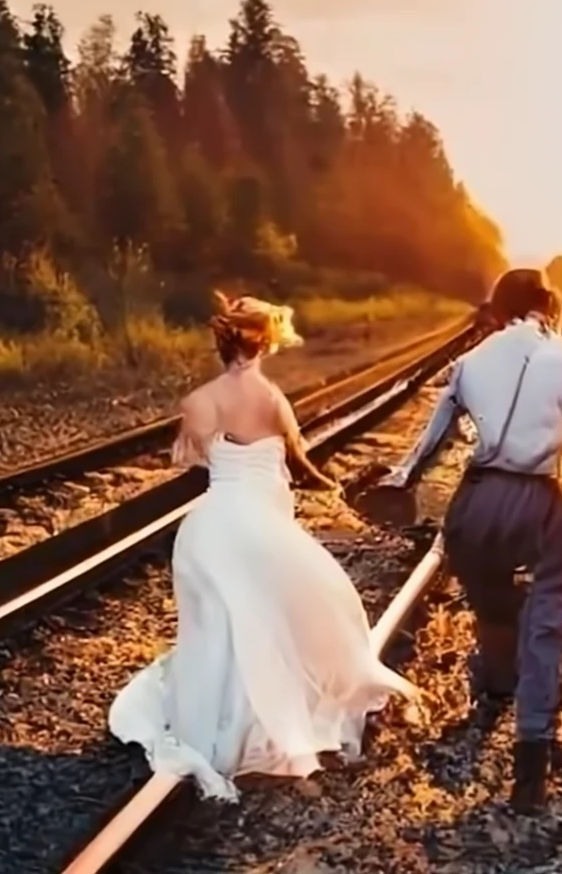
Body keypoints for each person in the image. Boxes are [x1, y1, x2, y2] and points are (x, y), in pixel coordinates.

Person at [109, 292, 418, 801]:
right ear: (265, 342)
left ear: (221, 343)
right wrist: (329, 485)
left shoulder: (199, 401)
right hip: (263, 526)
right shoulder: (275, 400)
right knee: (284, 615)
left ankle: (212, 722)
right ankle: (267, 720)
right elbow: (299, 462)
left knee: (219, 628)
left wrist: (219, 449)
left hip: (211, 528)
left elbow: (186, 458)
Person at [381, 268, 562, 814]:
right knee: (547, 614)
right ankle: (532, 753)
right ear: (547, 306)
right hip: (538, 498)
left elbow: (428, 445)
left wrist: (399, 481)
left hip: (477, 500)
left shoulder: (469, 361)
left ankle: (493, 689)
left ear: (500, 311)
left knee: (492, 603)